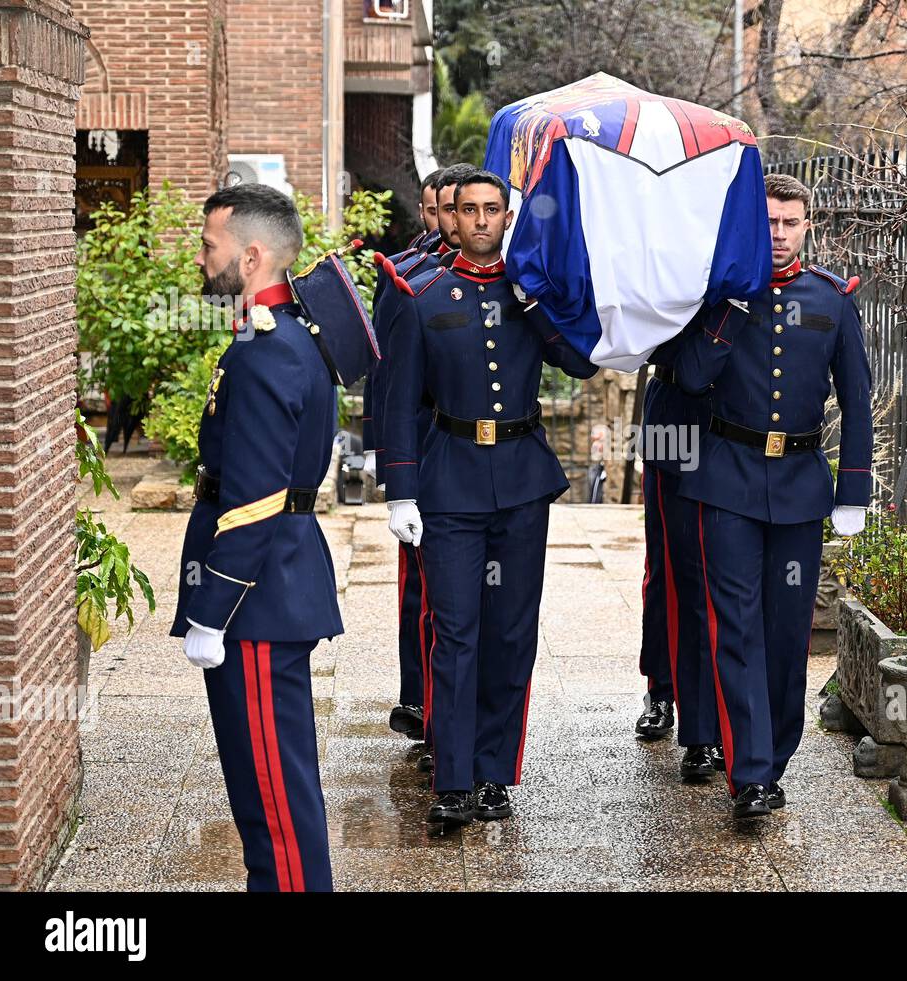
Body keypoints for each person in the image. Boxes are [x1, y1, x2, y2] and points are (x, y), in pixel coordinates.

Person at [380, 170, 598, 827]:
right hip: (449, 481)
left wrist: (535, 303)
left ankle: (494, 772)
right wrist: (401, 488)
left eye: (491, 209)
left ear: (508, 217)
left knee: (509, 633)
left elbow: (582, 362)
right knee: (456, 632)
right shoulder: (422, 295)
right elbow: (398, 397)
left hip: (522, 479)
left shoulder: (533, 290)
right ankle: (451, 779)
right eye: (468, 208)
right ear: (453, 214)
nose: (478, 220)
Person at [672, 172, 873, 819]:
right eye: (767, 223)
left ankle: (773, 756)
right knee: (735, 627)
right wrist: (730, 309)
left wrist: (854, 491)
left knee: (786, 634)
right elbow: (691, 376)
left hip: (799, 488)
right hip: (727, 480)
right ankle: (750, 772)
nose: (778, 234)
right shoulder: (722, 295)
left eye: (789, 222)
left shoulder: (832, 298)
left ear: (807, 226)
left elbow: (859, 401)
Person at [172, 183, 343, 890]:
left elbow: (254, 500)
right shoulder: (269, 335)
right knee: (262, 792)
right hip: (267, 594)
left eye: (209, 247)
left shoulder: (267, 351)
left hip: (256, 602)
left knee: (275, 797)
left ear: (250, 255)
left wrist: (212, 609)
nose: (200, 260)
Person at [363, 164, 476, 747]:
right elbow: (388, 379)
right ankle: (421, 695)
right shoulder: (410, 277)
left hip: (467, 455)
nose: (442, 223)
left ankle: (441, 706)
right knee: (423, 593)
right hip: (430, 451)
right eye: (435, 211)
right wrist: (386, 463)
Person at [634, 310, 728, 784]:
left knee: (720, 579)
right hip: (673, 418)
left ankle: (715, 718)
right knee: (671, 571)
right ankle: (663, 687)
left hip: (734, 416)